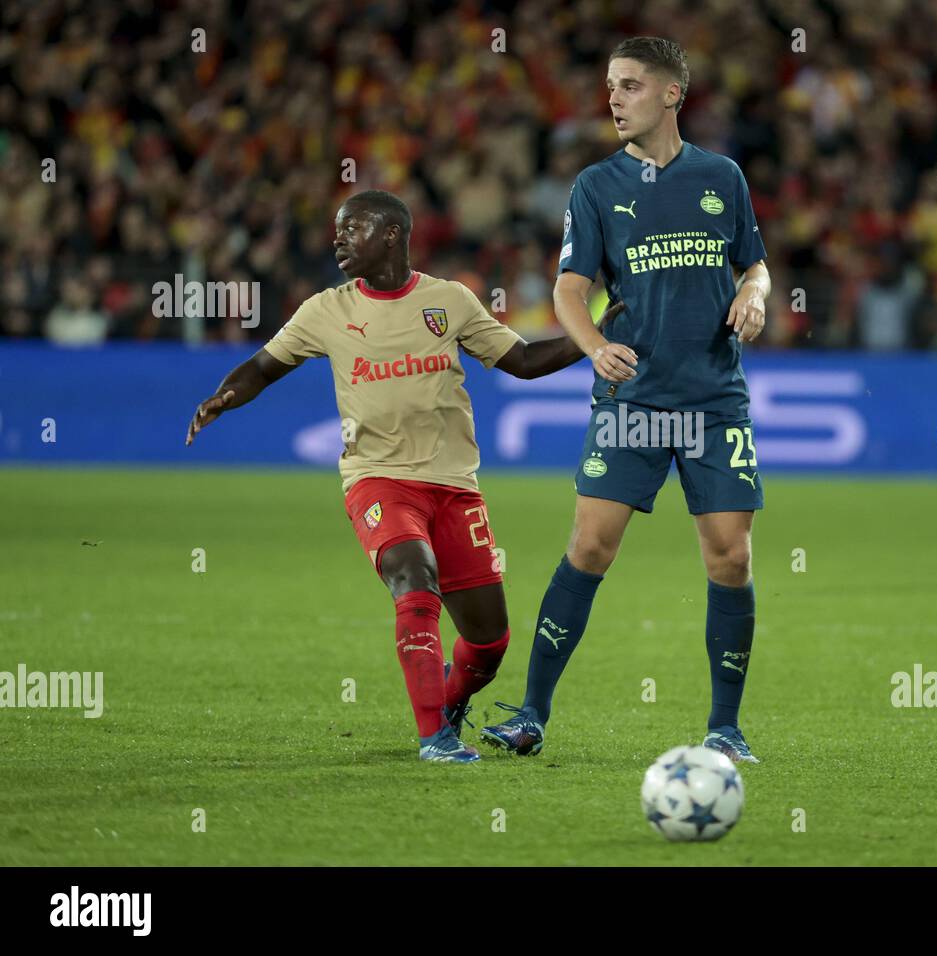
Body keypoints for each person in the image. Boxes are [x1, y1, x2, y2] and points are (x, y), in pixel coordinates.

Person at [186, 189, 618, 762]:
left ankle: (449, 700)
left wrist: (594, 336)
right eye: (337, 230)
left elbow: (523, 362)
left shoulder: (451, 301)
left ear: (391, 234)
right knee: (413, 577)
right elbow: (264, 366)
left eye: (352, 228)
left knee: (489, 641)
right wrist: (224, 396)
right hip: (378, 479)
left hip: (454, 485)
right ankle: (434, 737)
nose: (338, 239)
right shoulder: (326, 310)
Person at [481, 37, 771, 762]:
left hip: (713, 399)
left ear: (673, 94)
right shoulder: (596, 187)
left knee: (730, 559)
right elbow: (570, 289)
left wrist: (755, 294)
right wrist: (592, 346)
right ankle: (532, 713)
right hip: (631, 401)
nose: (614, 98)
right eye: (611, 85)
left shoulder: (721, 177)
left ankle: (725, 728)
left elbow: (756, 264)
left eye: (632, 86)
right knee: (588, 546)